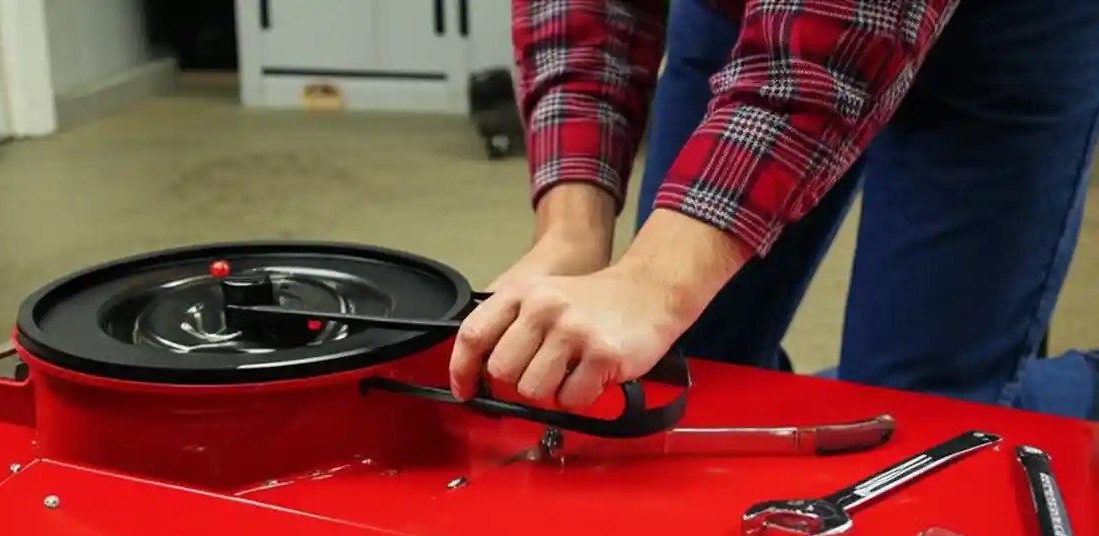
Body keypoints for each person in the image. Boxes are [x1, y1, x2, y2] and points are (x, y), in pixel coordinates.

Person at [448, 0, 1099, 419]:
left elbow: (839, 35)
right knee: (681, 365)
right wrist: (572, 236)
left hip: (1008, 27)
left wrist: (654, 281)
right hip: (742, 12)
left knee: (918, 419)